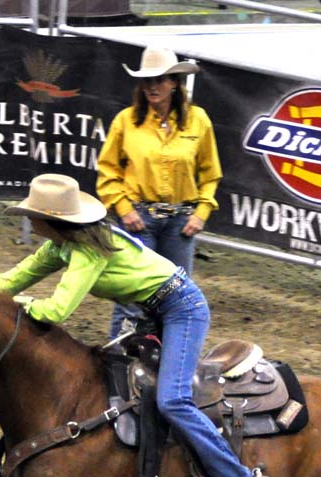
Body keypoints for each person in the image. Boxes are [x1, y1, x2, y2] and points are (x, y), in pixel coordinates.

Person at [0, 173, 266, 477]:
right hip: (154, 311)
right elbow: (17, 276)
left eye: (32, 214)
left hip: (181, 310)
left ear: (50, 220)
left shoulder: (87, 252)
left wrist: (12, 308)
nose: (28, 219)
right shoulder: (63, 245)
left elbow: (56, 311)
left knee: (173, 400)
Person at [96, 46, 222, 338]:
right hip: (139, 218)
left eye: (160, 79)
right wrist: (124, 209)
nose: (153, 86)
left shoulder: (198, 120)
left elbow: (210, 172)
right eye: (148, 80)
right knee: (131, 298)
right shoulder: (126, 121)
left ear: (174, 83)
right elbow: (108, 170)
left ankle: (170, 360)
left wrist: (201, 213)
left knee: (177, 298)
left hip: (181, 221)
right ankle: (119, 359)